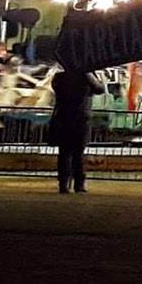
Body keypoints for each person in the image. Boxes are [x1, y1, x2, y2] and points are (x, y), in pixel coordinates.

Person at [49, 63, 105, 194]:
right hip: (81, 118)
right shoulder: (86, 76)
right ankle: (79, 185)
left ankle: (63, 185)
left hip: (63, 118)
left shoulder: (59, 77)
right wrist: (91, 73)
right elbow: (100, 89)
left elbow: (56, 89)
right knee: (78, 154)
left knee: (64, 154)